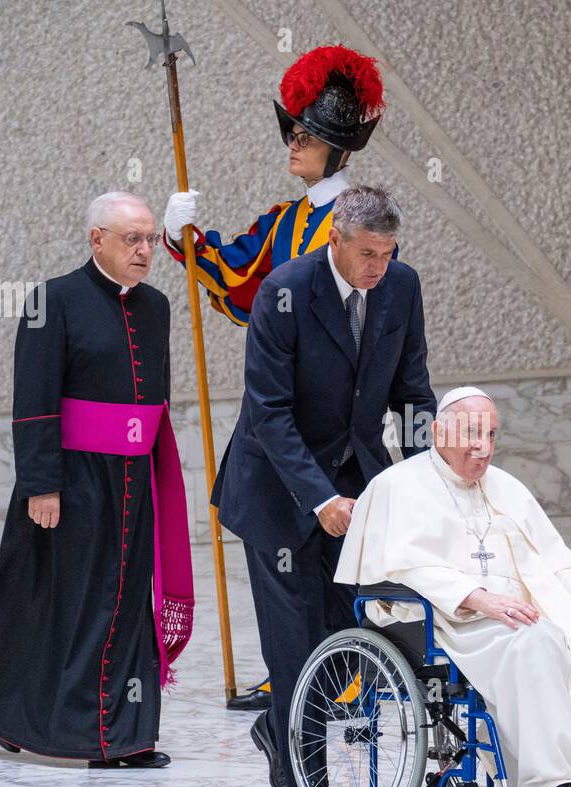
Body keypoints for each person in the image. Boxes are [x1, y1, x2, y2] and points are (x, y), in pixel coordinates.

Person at [161, 43, 387, 711]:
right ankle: (297, 670)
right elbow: (238, 284)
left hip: (332, 416)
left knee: (332, 553)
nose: (293, 142)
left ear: (339, 148)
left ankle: (343, 674)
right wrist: (186, 238)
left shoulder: (359, 219)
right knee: (276, 543)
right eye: (291, 129)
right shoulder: (289, 220)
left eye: (307, 134)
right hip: (283, 408)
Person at [215, 185, 436, 787]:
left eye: (388, 253)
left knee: (354, 627)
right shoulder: (283, 292)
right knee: (295, 643)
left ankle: (277, 731)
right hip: (277, 490)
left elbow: (412, 390)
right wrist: (320, 499)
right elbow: (270, 413)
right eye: (367, 253)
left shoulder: (402, 286)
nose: (378, 267)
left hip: (358, 480)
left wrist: (434, 473)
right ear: (334, 240)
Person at [335, 388, 571, 787]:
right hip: (443, 620)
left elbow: (555, 553)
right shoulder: (398, 486)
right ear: (439, 431)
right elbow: (403, 566)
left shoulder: (506, 486)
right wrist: (477, 598)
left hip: (517, 612)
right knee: (534, 643)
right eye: (471, 433)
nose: (482, 446)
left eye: (491, 435)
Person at [0, 192, 192, 768]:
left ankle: (129, 734)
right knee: (68, 602)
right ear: (97, 240)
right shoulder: (53, 300)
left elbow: (153, 400)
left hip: (135, 480)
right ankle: (62, 725)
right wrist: (42, 484)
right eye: (131, 240)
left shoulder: (157, 306)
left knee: (130, 597)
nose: (145, 251)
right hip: (74, 480)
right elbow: (34, 400)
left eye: (148, 240)